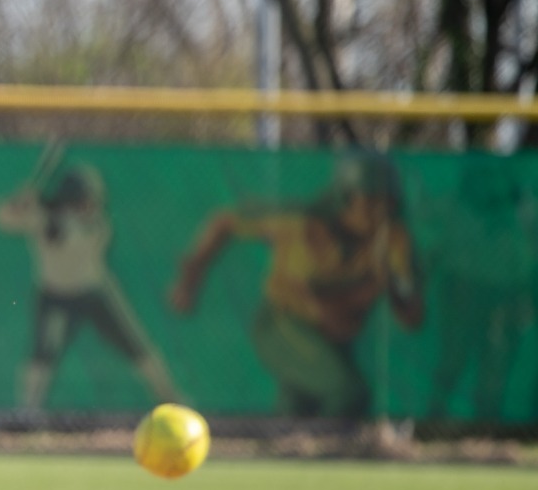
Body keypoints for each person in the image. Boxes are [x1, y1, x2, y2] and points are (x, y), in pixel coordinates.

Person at [169, 152, 423, 418]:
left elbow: (411, 314)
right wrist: (190, 279)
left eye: (388, 204)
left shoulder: (393, 240)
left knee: (297, 410)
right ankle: (327, 445)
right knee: (347, 391)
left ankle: (285, 442)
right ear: (345, 198)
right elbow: (225, 222)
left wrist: (396, 284)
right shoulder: (300, 221)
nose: (380, 212)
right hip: (283, 325)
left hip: (337, 340)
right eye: (371, 202)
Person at [0, 158, 178, 411]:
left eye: (92, 200)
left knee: (136, 345)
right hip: (55, 296)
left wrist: (39, 213)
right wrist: (18, 203)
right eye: (84, 200)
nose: (90, 205)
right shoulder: (45, 217)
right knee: (43, 355)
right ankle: (28, 411)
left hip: (95, 292)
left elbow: (73, 236)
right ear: (70, 200)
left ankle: (172, 399)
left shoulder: (97, 223)